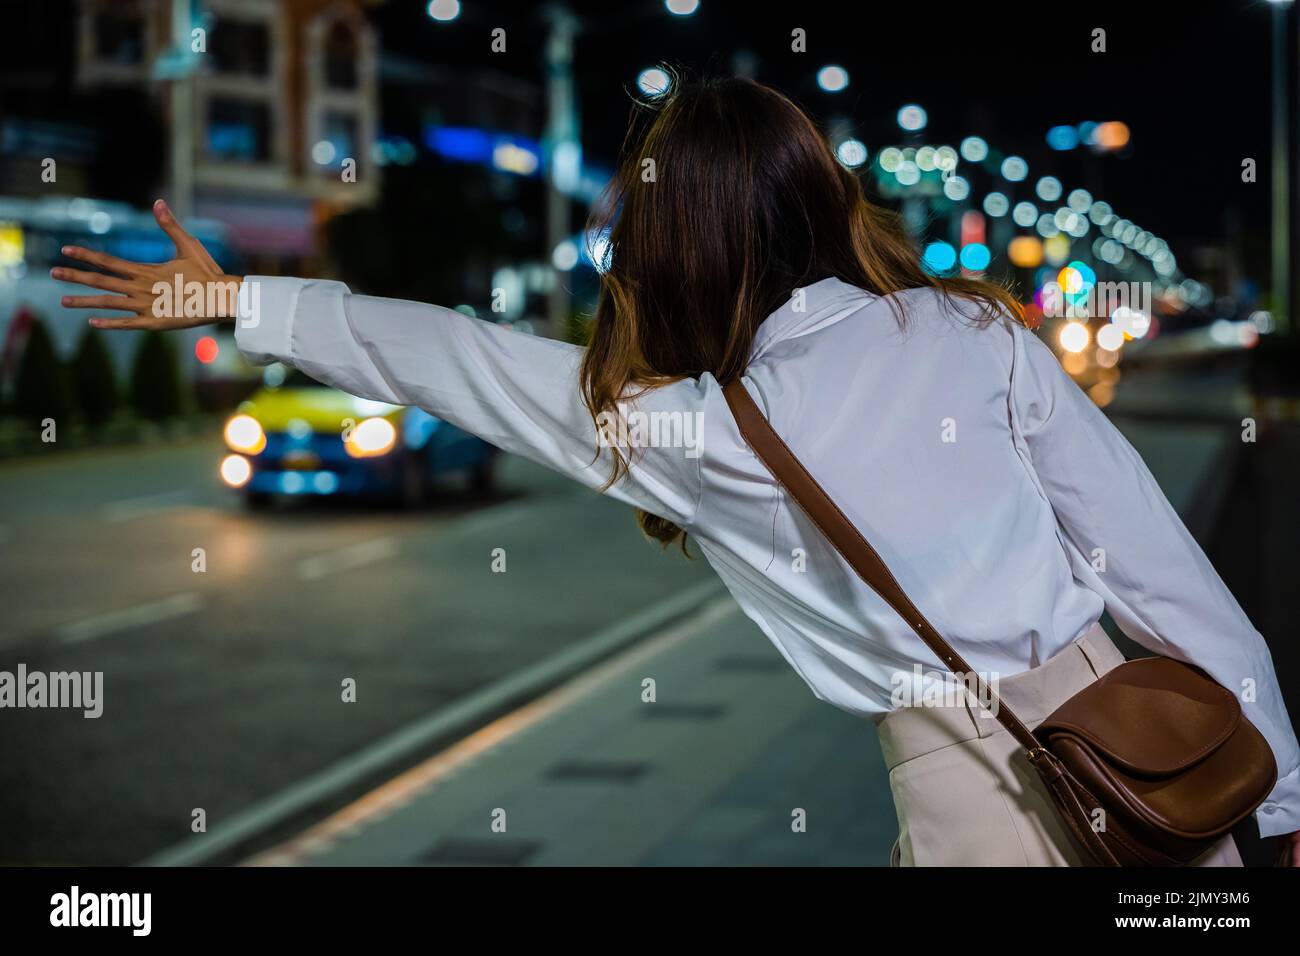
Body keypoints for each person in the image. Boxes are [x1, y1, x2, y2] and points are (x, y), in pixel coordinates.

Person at [54, 77, 1299, 866]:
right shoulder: (971, 331)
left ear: (673, 247)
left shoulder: (696, 430)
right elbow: (1156, 564)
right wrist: (1279, 791)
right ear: (812, 198)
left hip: (976, 789)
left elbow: (460, 359)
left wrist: (233, 297)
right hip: (1156, 757)